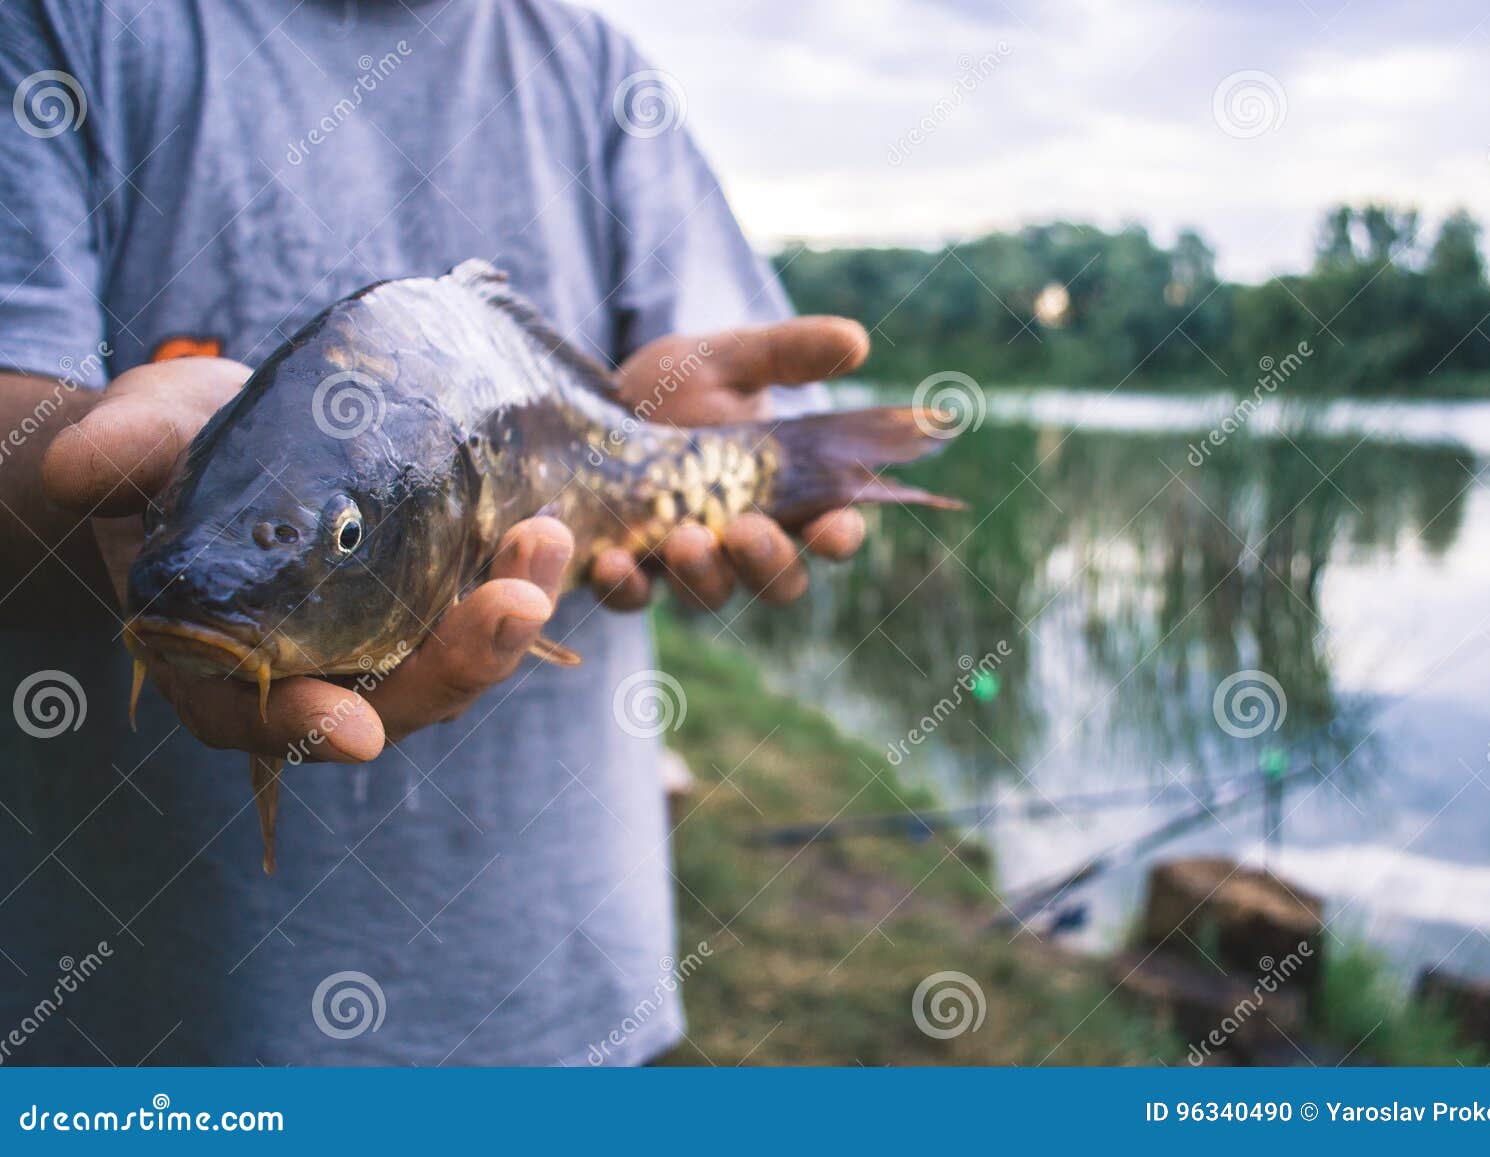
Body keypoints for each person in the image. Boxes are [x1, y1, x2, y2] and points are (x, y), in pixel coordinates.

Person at [0, 0, 869, 1065]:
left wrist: (695, 441)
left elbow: (692, 376)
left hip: (567, 984)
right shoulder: (65, 24)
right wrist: (78, 480)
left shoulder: (590, 60)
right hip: (157, 1023)